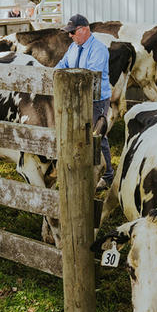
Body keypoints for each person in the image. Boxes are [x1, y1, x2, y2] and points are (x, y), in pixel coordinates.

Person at [55, 13, 113, 191]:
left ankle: (107, 175)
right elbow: (62, 65)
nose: (70, 35)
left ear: (85, 29)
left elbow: (90, 76)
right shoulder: (73, 47)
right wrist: (55, 75)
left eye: (73, 32)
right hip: (77, 98)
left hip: (96, 100)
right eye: (69, 32)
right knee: (80, 133)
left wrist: (68, 83)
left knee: (97, 135)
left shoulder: (98, 49)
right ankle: (85, 170)